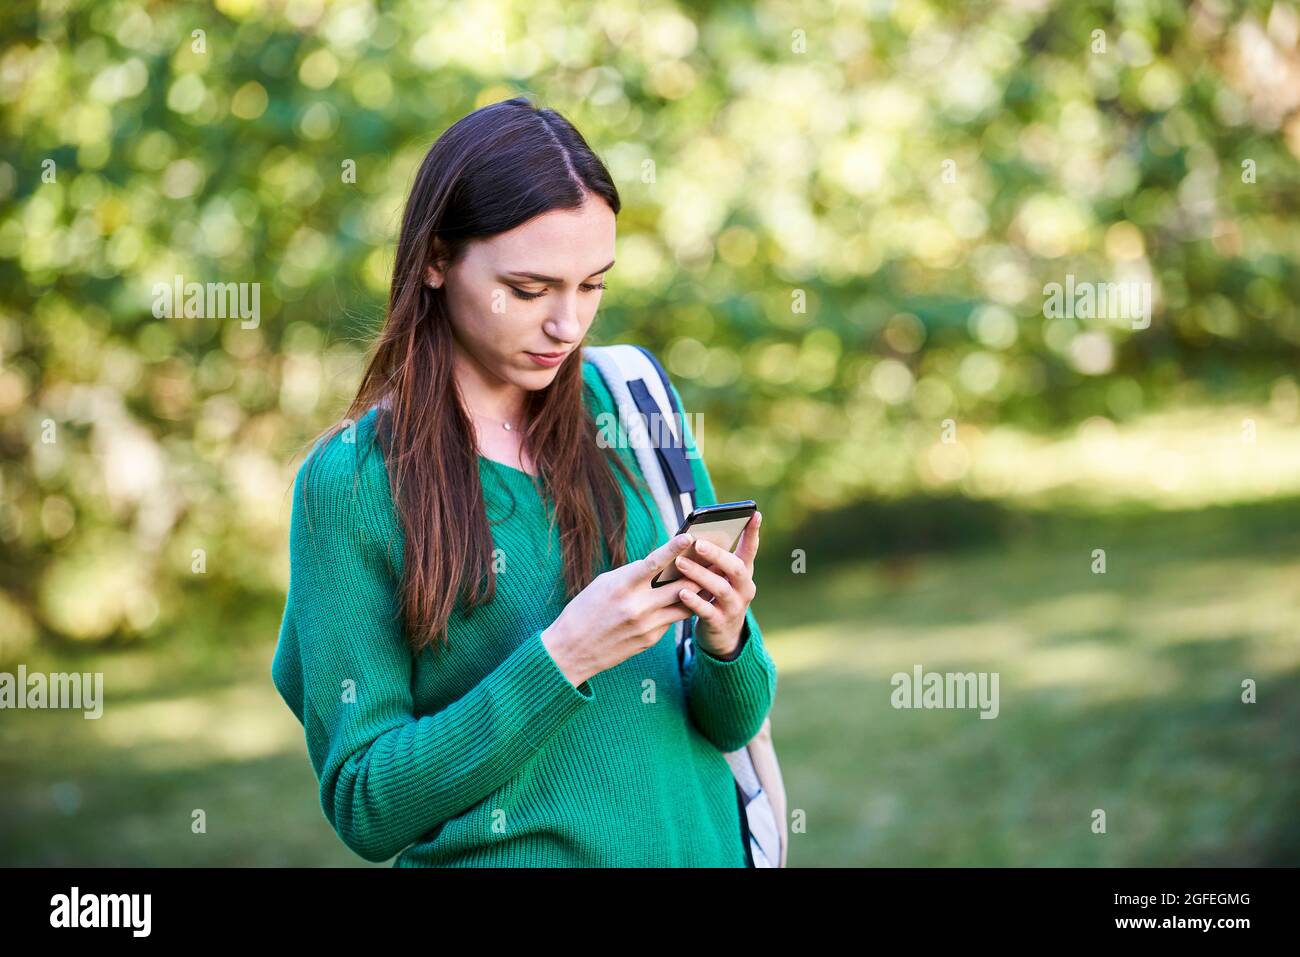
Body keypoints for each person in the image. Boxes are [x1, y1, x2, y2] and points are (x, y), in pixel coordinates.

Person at [270, 96, 778, 867]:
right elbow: (366, 803)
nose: (568, 326)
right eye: (531, 288)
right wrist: (564, 655)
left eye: (593, 286)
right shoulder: (350, 483)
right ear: (436, 260)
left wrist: (725, 634)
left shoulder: (634, 403)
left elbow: (731, 721)